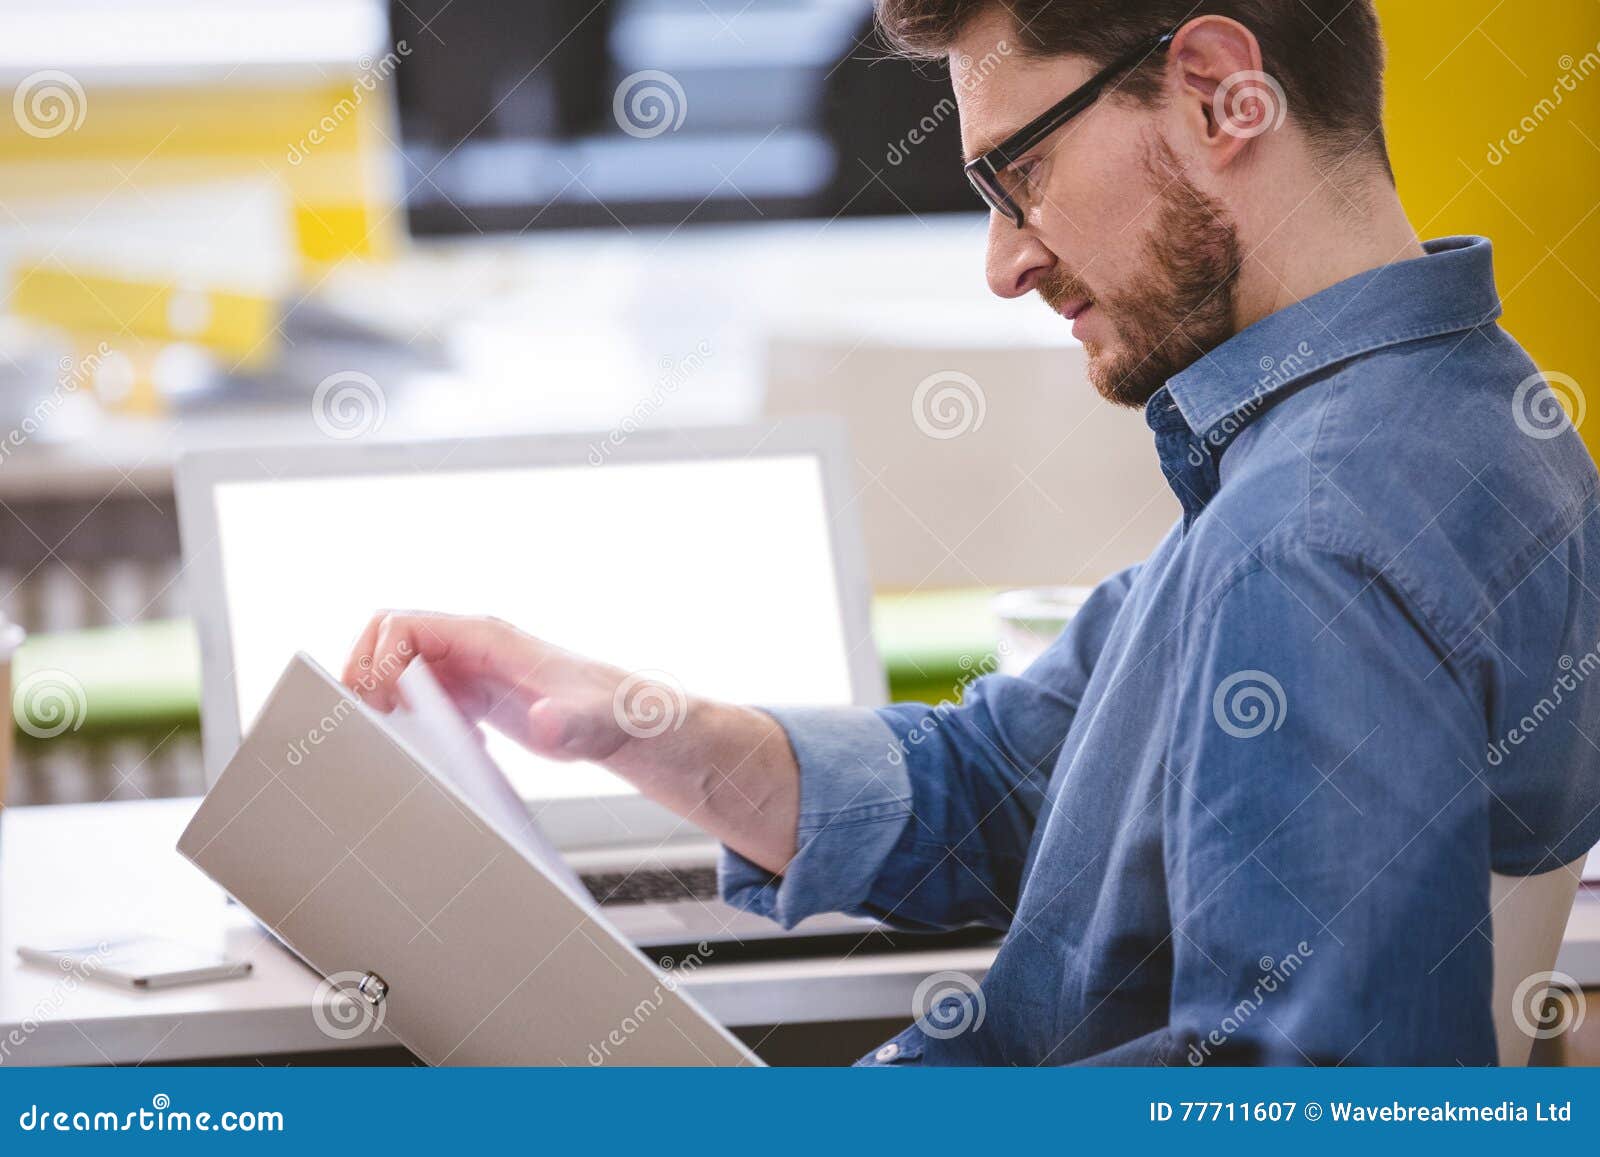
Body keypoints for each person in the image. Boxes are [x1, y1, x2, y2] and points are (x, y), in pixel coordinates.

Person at [344, 0, 1600, 1065]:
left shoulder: (1308, 539)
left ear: (1220, 96)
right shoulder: (1444, 420)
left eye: (1019, 175)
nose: (1003, 263)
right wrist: (625, 719)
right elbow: (1010, 784)